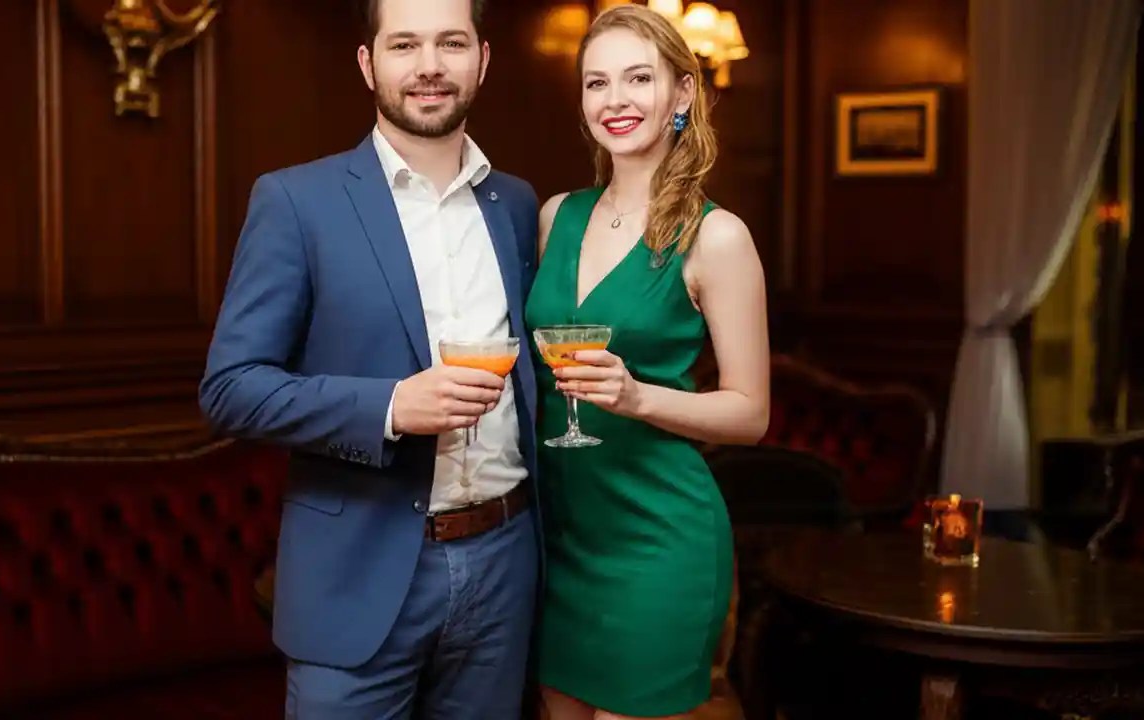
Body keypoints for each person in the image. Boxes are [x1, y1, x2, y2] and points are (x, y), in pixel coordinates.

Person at [199, 0, 541, 717]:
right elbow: (230, 388)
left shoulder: (515, 206)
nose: (428, 66)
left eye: (451, 43)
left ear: (482, 60)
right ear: (368, 64)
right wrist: (389, 407)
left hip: (506, 559)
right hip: (358, 569)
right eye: (404, 44)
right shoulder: (297, 201)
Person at [523, 5, 770, 719]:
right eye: (597, 83)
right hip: (562, 539)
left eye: (639, 78)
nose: (616, 100)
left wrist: (636, 398)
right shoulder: (554, 216)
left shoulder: (717, 238)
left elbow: (750, 414)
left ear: (684, 93)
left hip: (657, 541)